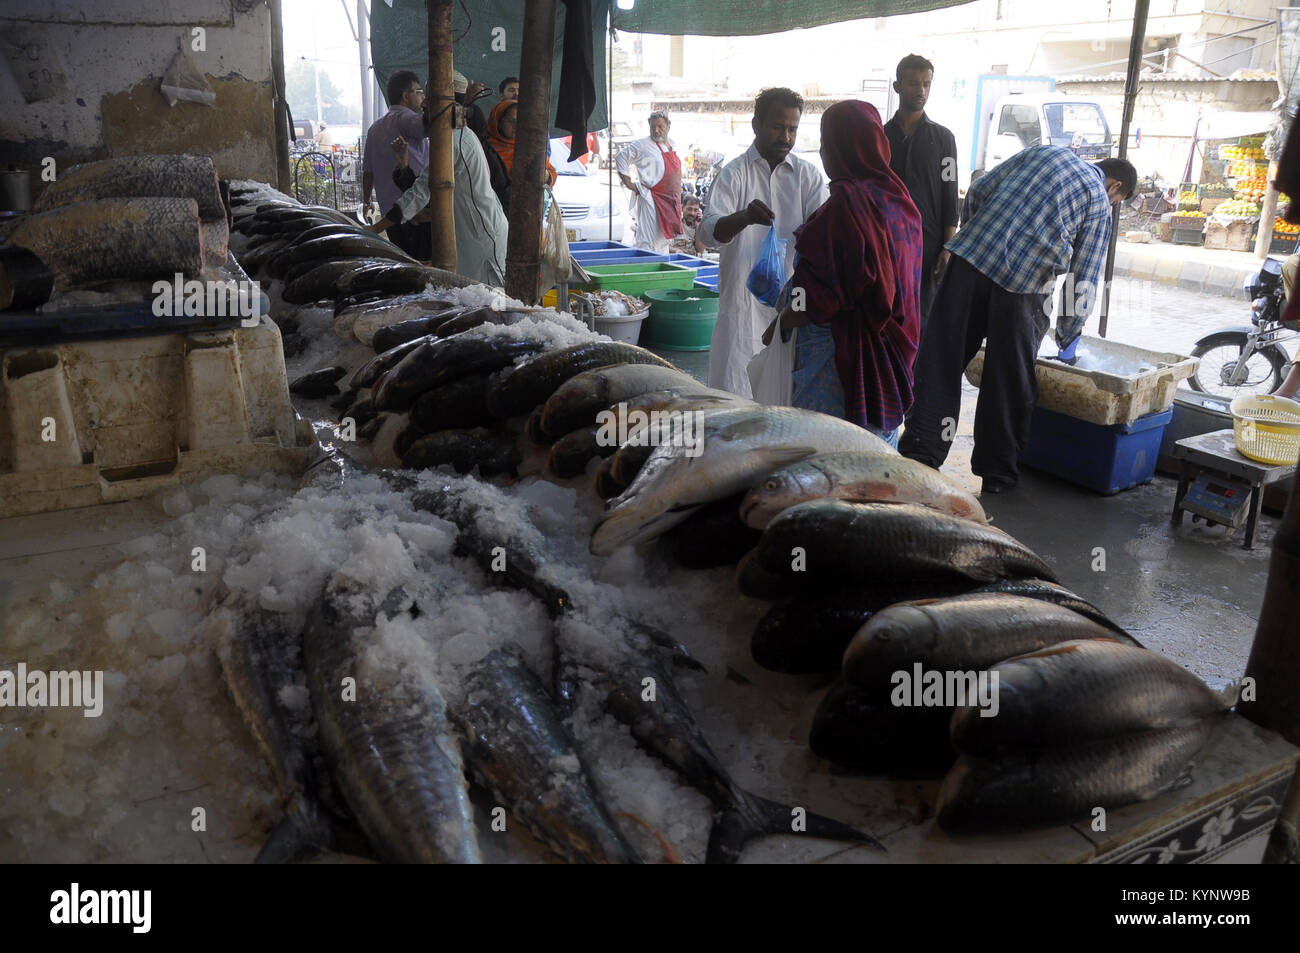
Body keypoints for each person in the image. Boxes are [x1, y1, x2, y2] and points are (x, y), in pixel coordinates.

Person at [898, 146, 1137, 494]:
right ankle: (996, 475)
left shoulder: (1044, 151)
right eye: (1119, 201)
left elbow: (979, 190)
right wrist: (1069, 336)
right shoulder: (1099, 203)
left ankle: (920, 453)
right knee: (1008, 380)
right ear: (1115, 186)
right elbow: (1082, 280)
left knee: (941, 362)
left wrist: (980, 237)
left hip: (968, 264)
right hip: (1024, 286)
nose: (1113, 205)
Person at [759, 101, 922, 447]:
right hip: (893, 352)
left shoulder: (845, 208)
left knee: (829, 459)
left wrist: (783, 321)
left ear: (841, 146)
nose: (822, 151)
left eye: (826, 141)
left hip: (843, 360)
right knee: (874, 463)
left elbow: (821, 296)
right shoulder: (901, 202)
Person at [698, 87, 829, 397]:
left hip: (791, 309)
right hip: (741, 310)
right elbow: (707, 233)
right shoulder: (733, 175)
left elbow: (825, 239)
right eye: (777, 127)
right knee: (734, 398)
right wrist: (742, 218)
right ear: (756, 125)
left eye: (792, 129)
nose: (785, 136)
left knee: (784, 404)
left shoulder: (808, 178)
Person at [366, 114, 508, 287]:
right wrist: (426, 214)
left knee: (493, 301)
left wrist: (376, 228)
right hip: (471, 237)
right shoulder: (460, 135)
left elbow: (420, 191)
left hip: (482, 238)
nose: (423, 107)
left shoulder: (453, 142)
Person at [883, 54, 958, 324]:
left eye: (926, 84)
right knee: (887, 314)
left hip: (928, 247)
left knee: (922, 319)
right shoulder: (880, 137)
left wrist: (948, 247)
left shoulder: (944, 139)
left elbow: (951, 193)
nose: (921, 91)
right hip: (886, 243)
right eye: (914, 84)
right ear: (898, 86)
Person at [362, 70, 428, 256]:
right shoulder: (406, 119)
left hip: (389, 213)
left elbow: (368, 172)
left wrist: (366, 200)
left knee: (404, 259)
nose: (423, 96)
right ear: (406, 96)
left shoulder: (374, 129)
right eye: (419, 91)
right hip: (415, 211)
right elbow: (429, 124)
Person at [616, 111, 684, 253]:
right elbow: (621, 157)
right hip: (651, 199)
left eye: (660, 126)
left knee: (663, 240)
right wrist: (629, 183)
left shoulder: (672, 145)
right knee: (648, 240)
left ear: (668, 126)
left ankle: (662, 268)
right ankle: (646, 268)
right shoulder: (643, 145)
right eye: (653, 127)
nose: (656, 130)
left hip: (669, 200)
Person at [485, 100, 557, 193]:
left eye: (521, 121)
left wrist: (545, 175)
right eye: (512, 121)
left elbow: (553, 174)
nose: (516, 126)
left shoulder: (531, 147)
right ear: (498, 120)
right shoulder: (483, 146)